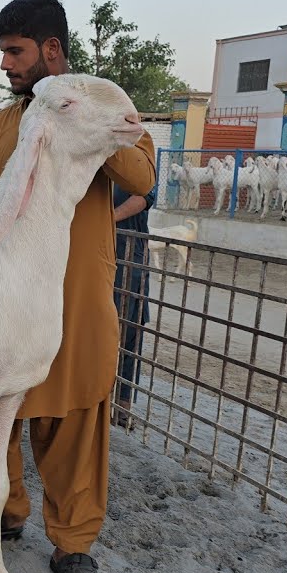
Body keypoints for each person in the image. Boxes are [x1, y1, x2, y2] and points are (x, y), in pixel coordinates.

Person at [0, 0, 155, 573]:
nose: (5, 64)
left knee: (76, 425)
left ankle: (74, 546)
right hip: (1, 310)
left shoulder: (107, 111)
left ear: (51, 50)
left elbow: (141, 179)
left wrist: (91, 120)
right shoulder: (0, 127)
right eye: (4, 52)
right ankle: (6, 514)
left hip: (77, 305)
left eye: (15, 51)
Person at [112, 181, 157, 428]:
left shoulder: (137, 164)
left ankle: (122, 405)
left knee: (129, 333)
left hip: (130, 259)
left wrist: (107, 218)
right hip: (101, 255)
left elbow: (145, 195)